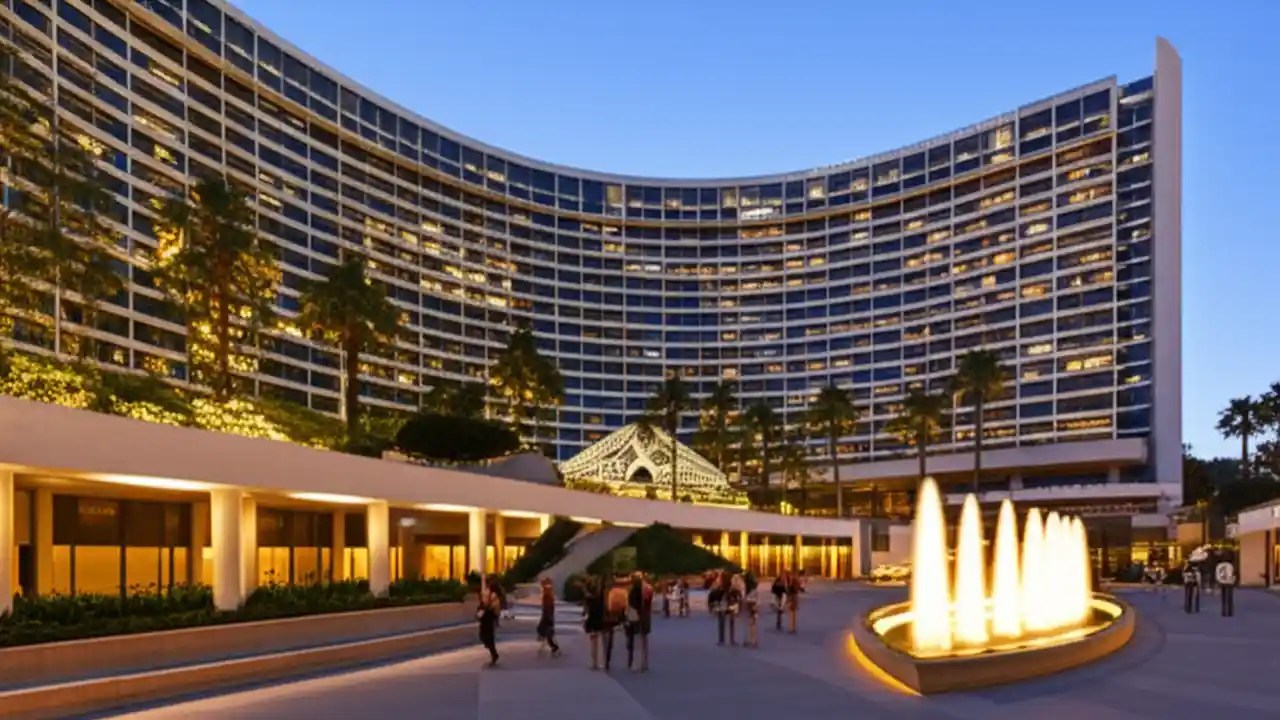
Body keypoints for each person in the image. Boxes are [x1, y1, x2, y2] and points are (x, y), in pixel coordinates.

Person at [625, 572, 653, 671]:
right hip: (646, 616)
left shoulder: (633, 590)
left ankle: (637, 664)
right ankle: (645, 662)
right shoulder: (648, 588)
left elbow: (631, 603)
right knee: (644, 640)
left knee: (637, 640)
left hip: (636, 616)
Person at [604, 575, 629, 671]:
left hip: (607, 618)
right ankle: (629, 654)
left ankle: (607, 659)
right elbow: (625, 606)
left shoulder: (608, 592)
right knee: (611, 639)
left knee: (607, 639)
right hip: (617, 617)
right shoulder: (623, 592)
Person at [477, 576, 502, 667]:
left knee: (486, 636)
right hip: (489, 618)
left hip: (487, 617)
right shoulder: (493, 595)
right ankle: (493, 653)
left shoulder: (492, 595)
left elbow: (491, 606)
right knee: (487, 636)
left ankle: (494, 654)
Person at [582, 576, 605, 670]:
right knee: (601, 642)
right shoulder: (601, 597)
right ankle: (601, 662)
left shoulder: (588, 599)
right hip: (600, 620)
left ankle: (594, 663)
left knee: (593, 643)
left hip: (591, 621)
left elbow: (585, 611)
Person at [536, 576, 561, 657]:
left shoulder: (548, 594)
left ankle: (554, 646)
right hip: (547, 615)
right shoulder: (547, 594)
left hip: (547, 616)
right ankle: (551, 645)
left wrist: (548, 616)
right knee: (547, 632)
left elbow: (548, 607)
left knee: (547, 632)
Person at [708, 571, 727, 645]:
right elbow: (712, 596)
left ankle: (722, 639)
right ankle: (722, 639)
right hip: (720, 606)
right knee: (721, 624)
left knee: (722, 624)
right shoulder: (718, 587)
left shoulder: (723, 588)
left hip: (722, 606)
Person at [726, 573, 745, 646]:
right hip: (734, 607)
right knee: (733, 622)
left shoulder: (731, 590)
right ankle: (733, 639)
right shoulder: (736, 591)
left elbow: (729, 599)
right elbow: (739, 599)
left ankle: (732, 638)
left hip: (732, 606)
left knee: (732, 622)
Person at [743, 572, 760, 648]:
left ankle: (750, 639)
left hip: (750, 605)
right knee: (753, 623)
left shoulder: (747, 587)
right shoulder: (753, 588)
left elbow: (747, 598)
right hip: (753, 605)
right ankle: (753, 639)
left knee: (749, 622)